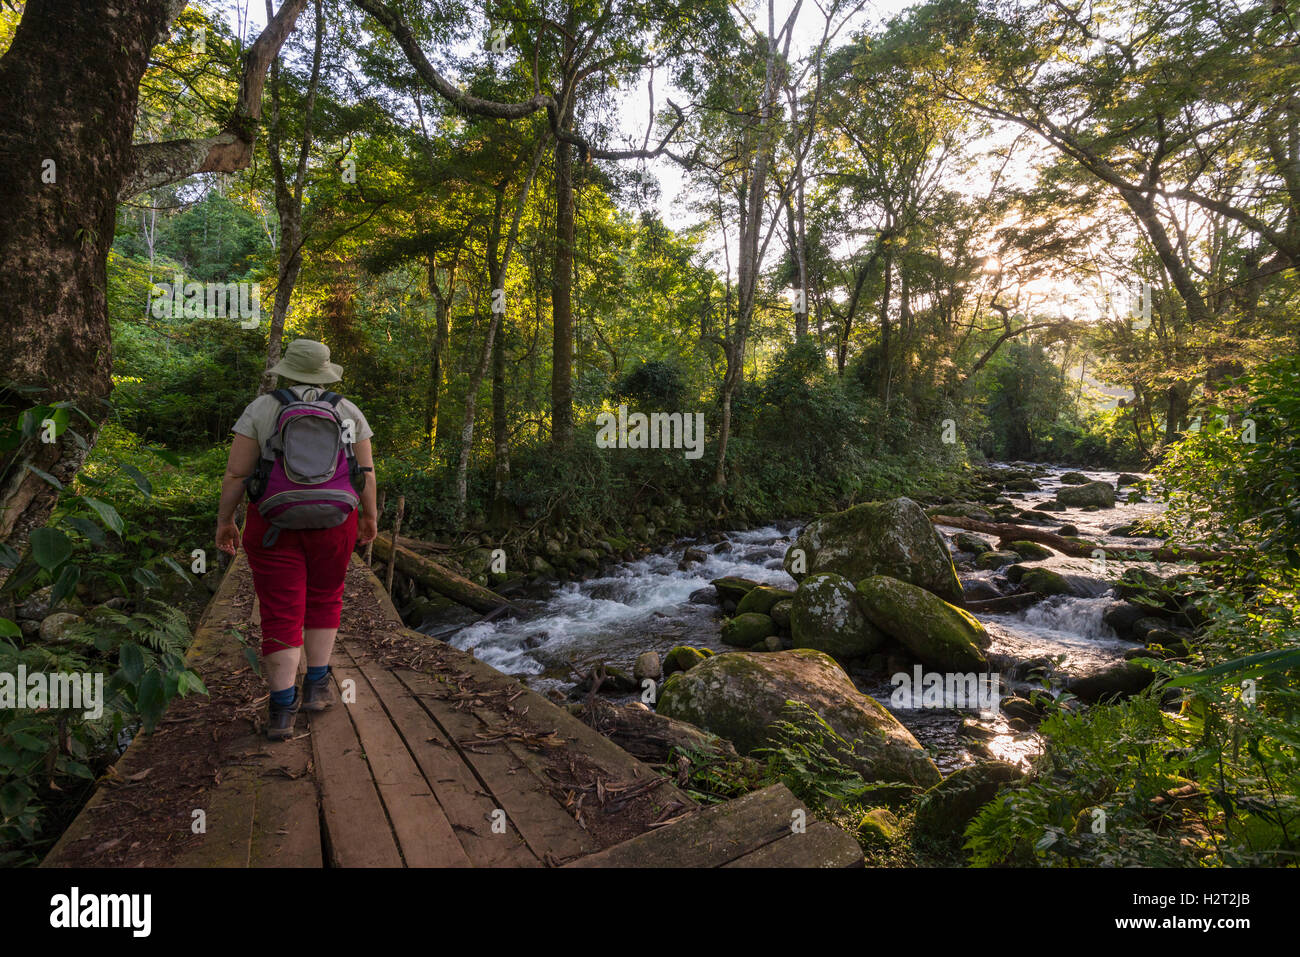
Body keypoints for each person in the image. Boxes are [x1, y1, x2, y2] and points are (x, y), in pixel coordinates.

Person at [215, 339, 378, 740]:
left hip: (273, 523)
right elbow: (366, 472)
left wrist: (225, 521)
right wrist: (370, 516)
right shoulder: (347, 410)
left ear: (286, 371)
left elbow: (237, 475)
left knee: (280, 609)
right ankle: (317, 689)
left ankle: (281, 711)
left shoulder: (262, 408)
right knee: (325, 596)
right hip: (335, 521)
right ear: (325, 373)